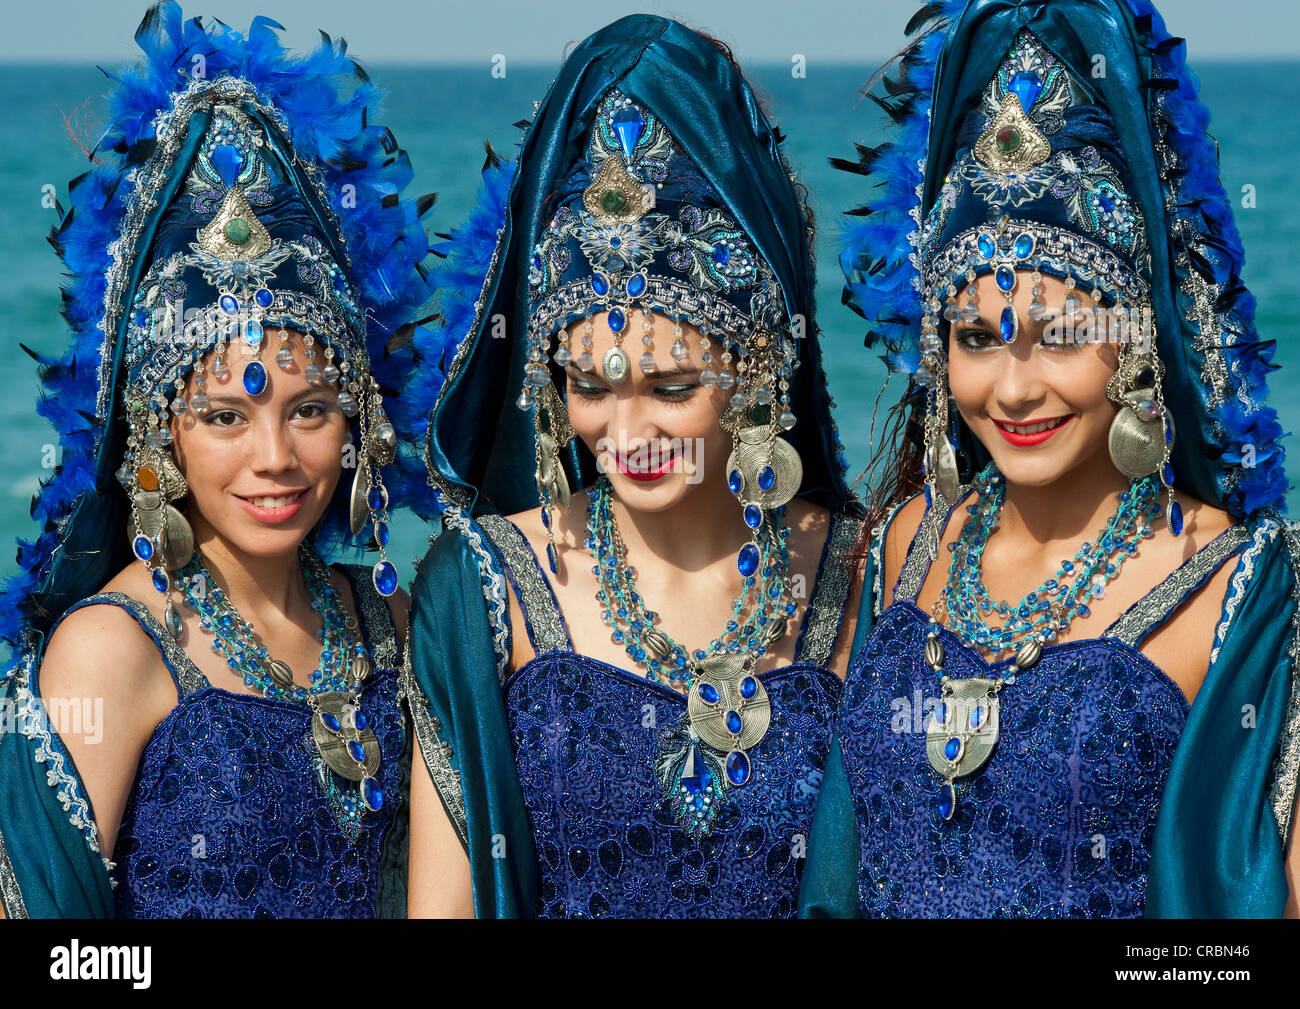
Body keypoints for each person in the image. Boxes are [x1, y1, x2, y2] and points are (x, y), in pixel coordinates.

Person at [802, 0, 1299, 917]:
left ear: (1138, 337)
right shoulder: (906, 542)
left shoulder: (1234, 589)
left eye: (1064, 333)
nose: (1014, 388)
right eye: (976, 336)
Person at [404, 14, 862, 917]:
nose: (626, 431)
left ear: (758, 366)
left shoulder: (863, 573)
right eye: (589, 385)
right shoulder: (483, 587)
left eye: (673, 385)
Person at [0, 3, 439, 918]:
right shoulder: (110, 652)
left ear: (359, 420)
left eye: (310, 409)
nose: (274, 458)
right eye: (224, 415)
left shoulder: (393, 625)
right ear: (162, 433)